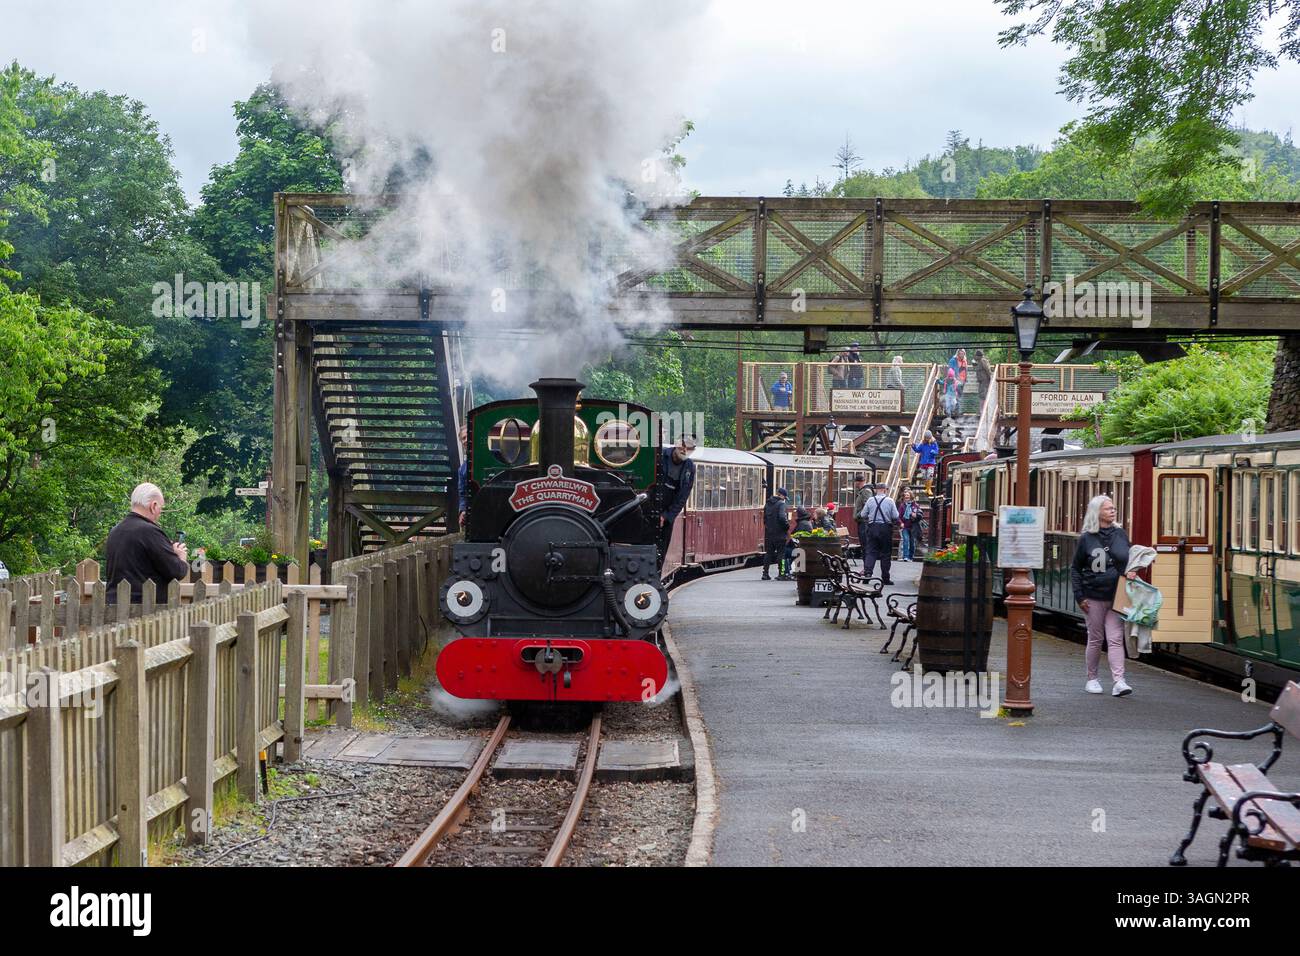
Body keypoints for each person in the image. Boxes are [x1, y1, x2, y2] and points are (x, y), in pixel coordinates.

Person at [1071, 494, 1137, 697]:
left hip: (1117, 595)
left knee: (1116, 638)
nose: (1113, 510)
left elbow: (1128, 560)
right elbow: (1075, 568)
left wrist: (1131, 571)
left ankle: (1119, 681)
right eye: (1108, 508)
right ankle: (1092, 678)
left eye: (1113, 508)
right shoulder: (1086, 539)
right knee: (1096, 638)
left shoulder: (1120, 534)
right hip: (1093, 595)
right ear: (1097, 512)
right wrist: (1079, 596)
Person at [105, 483, 190, 604]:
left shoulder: (115, 531)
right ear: (154, 506)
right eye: (161, 507)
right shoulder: (150, 531)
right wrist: (181, 557)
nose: (160, 512)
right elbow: (176, 571)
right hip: (143, 610)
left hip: (113, 606)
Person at [657, 436, 697, 568]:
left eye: (689, 448)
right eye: (682, 446)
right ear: (676, 444)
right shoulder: (660, 455)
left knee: (661, 547)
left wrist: (667, 516)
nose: (684, 450)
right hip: (650, 505)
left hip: (668, 513)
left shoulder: (689, 467)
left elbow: (683, 496)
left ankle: (657, 572)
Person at [858, 482, 899, 584]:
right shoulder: (890, 501)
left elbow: (863, 514)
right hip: (885, 528)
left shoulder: (871, 500)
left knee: (871, 552)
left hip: (872, 527)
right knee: (885, 553)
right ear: (885, 490)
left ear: (876, 490)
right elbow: (895, 516)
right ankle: (885, 578)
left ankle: (867, 574)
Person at [762, 486, 791, 580]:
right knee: (781, 554)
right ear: (782, 495)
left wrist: (768, 527)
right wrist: (786, 527)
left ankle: (765, 573)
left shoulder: (768, 503)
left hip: (770, 533)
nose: (785, 500)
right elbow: (782, 517)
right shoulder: (781, 504)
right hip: (780, 533)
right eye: (785, 497)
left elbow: (765, 519)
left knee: (768, 553)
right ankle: (781, 573)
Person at [912, 430, 940, 497]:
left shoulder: (934, 443)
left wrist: (933, 452)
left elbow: (937, 451)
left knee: (929, 475)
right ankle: (926, 488)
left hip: (931, 462)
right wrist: (914, 447)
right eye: (926, 438)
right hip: (923, 462)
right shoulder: (922, 444)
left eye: (928, 438)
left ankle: (929, 488)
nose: (927, 439)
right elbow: (918, 450)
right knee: (924, 476)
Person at [852, 474, 871, 560]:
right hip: (861, 521)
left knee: (865, 544)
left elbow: (867, 505)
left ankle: (866, 567)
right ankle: (866, 567)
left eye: (856, 481)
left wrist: (859, 514)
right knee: (864, 544)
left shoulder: (866, 491)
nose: (855, 483)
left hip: (864, 521)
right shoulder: (861, 491)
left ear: (858, 482)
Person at [898, 488, 920, 562]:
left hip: (913, 527)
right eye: (905, 495)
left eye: (908, 495)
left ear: (911, 496)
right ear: (904, 497)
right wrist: (901, 523)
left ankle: (911, 557)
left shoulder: (915, 505)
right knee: (906, 540)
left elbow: (920, 515)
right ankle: (905, 556)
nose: (906, 497)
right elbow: (899, 516)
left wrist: (915, 515)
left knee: (912, 542)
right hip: (905, 527)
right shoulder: (902, 506)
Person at [456, 425, 469, 529]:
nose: (466, 440)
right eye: (463, 438)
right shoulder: (462, 470)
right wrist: (463, 511)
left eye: (467, 436)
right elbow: (463, 493)